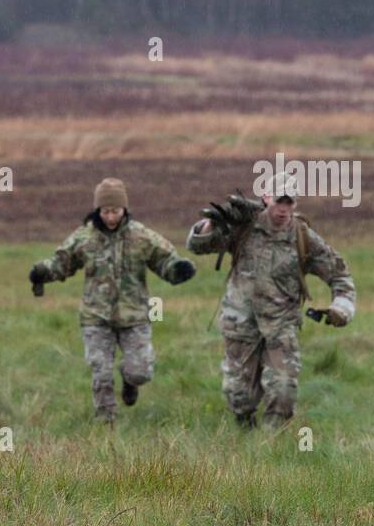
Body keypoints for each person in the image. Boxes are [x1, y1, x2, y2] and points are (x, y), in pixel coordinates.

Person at [186, 173, 356, 430]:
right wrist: (211, 224)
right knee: (239, 396)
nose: (284, 209)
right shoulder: (244, 226)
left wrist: (341, 309)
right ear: (266, 198)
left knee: (283, 389)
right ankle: (245, 427)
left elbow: (340, 275)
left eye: (290, 202)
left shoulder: (302, 236)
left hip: (281, 324)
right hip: (241, 322)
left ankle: (271, 443)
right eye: (279, 201)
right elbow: (197, 245)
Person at [28, 178, 196, 423]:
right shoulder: (85, 237)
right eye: (105, 211)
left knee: (141, 372)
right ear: (97, 209)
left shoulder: (141, 235)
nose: (110, 217)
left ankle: (129, 381)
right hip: (95, 317)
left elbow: (164, 259)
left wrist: (177, 269)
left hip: (134, 315)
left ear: (124, 209)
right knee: (101, 372)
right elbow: (62, 262)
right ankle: (105, 421)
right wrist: (43, 271)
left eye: (115, 211)